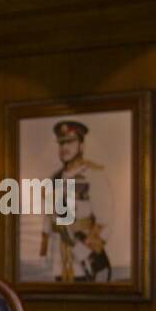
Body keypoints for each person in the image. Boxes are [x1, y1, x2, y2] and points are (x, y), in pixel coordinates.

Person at [40, 119, 113, 282]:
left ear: (81, 145)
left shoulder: (94, 175)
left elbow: (105, 218)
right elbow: (50, 219)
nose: (64, 148)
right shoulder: (54, 179)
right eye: (61, 143)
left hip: (86, 257)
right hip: (60, 258)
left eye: (70, 142)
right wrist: (44, 250)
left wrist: (88, 249)